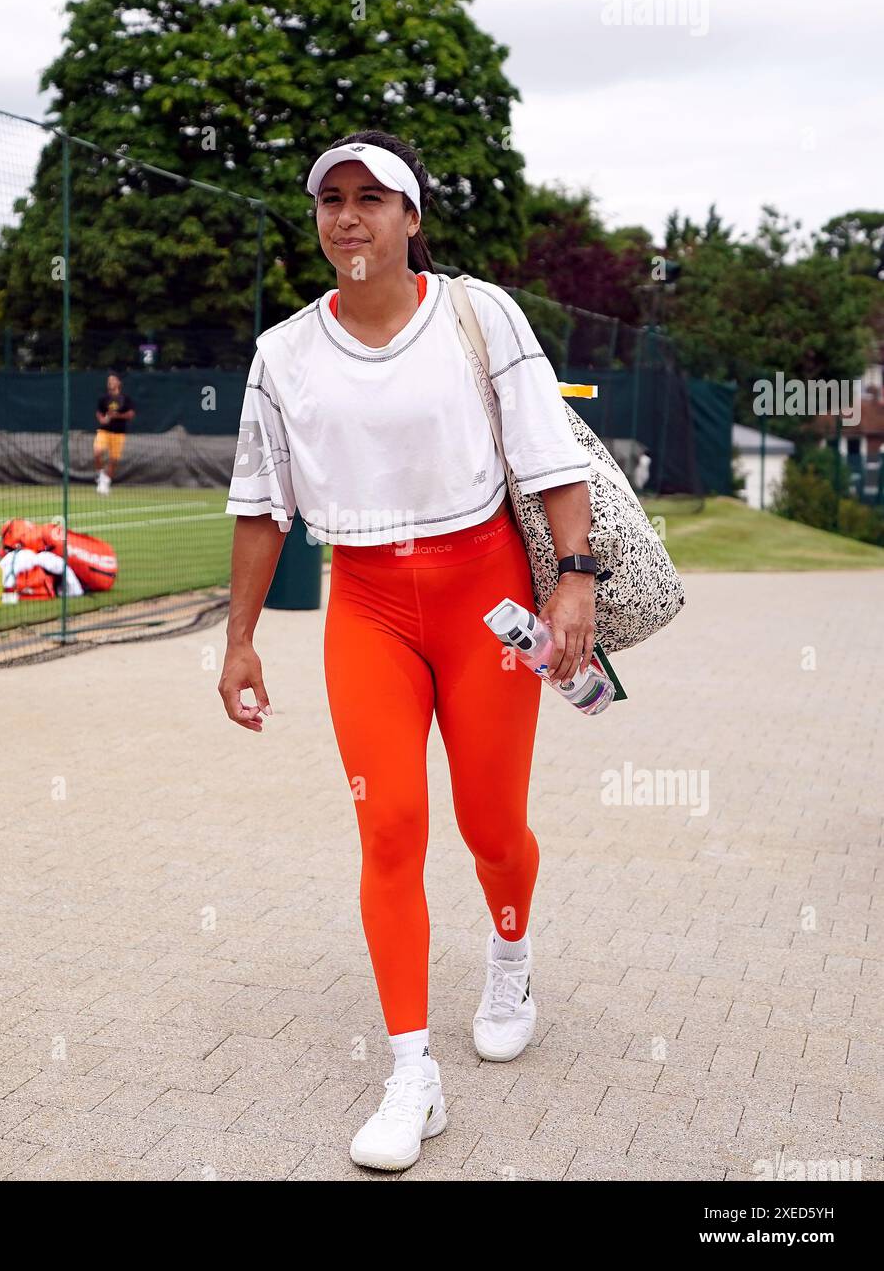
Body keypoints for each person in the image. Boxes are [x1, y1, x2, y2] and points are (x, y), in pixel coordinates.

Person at [219, 131, 599, 1172]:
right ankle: (411, 1074)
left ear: (410, 217)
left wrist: (575, 577)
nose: (349, 216)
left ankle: (510, 958)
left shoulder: (481, 315)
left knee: (488, 822)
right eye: (331, 199)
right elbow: (263, 508)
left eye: (372, 198)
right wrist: (240, 639)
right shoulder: (284, 353)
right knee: (389, 827)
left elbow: (551, 457)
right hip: (369, 606)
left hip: (488, 600)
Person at [94, 373, 135, 494]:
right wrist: (102, 419)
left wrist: (118, 415)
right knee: (97, 452)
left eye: (112, 380)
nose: (110, 382)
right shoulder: (103, 399)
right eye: (108, 381)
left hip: (119, 433)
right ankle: (100, 475)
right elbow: (99, 413)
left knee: (114, 460)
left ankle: (105, 482)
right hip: (104, 431)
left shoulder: (126, 399)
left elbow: (131, 414)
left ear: (118, 383)